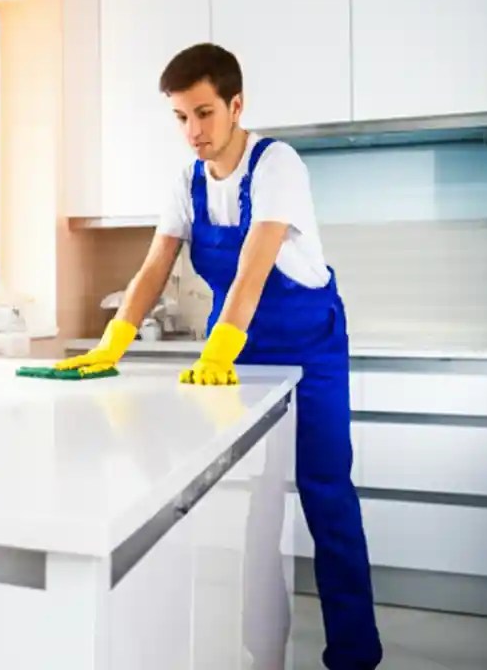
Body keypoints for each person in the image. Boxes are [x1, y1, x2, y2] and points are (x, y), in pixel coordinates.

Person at [57, 43, 383, 669]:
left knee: (325, 491)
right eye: (181, 118)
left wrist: (221, 345)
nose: (194, 132)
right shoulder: (185, 180)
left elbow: (252, 270)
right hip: (235, 345)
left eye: (204, 113)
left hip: (307, 344)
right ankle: (248, 648)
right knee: (236, 495)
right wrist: (113, 341)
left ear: (236, 105)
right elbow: (155, 266)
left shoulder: (277, 164)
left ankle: (354, 653)